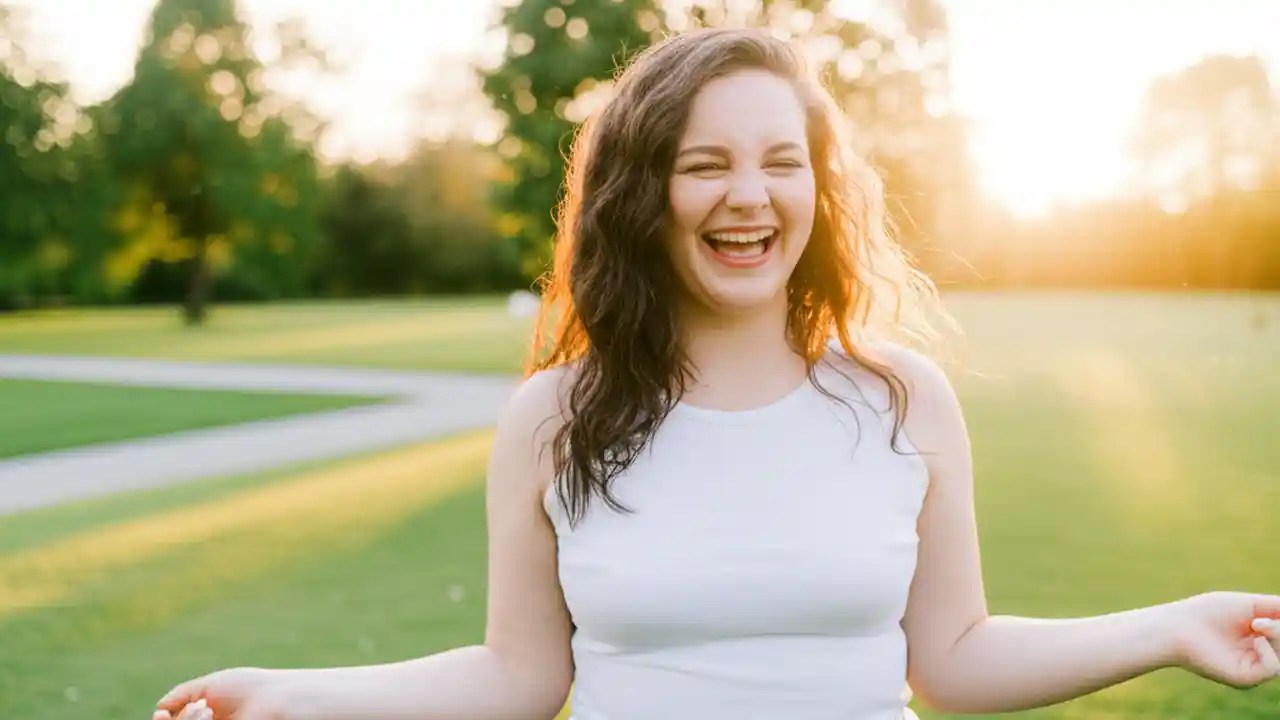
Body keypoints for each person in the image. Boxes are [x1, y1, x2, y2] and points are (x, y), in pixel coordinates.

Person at [153, 27, 1280, 720]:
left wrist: (1173, 625)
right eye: (705, 164)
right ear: (642, 198)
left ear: (817, 190)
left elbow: (953, 659)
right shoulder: (556, 417)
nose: (751, 196)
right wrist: (298, 697)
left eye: (780, 162)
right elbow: (514, 678)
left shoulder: (899, 403)